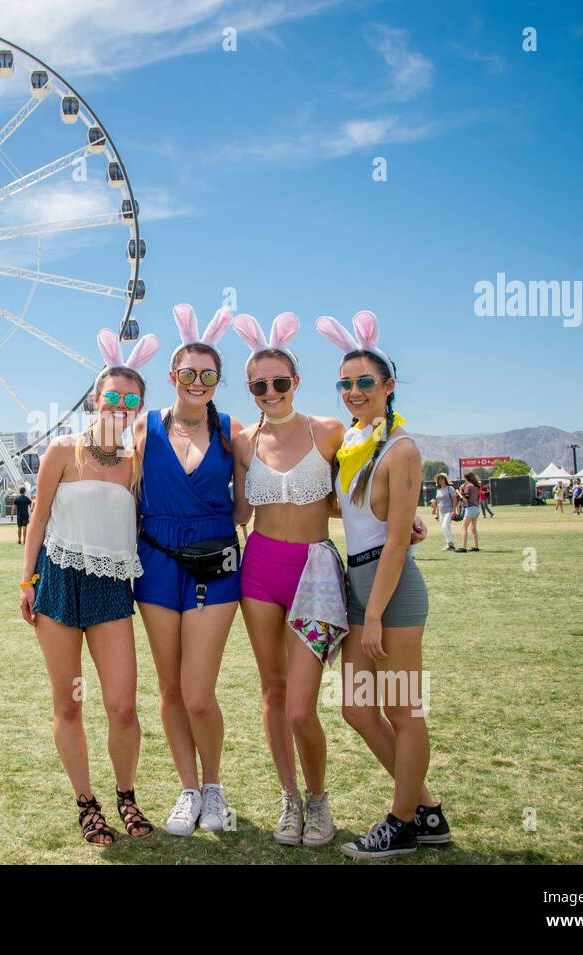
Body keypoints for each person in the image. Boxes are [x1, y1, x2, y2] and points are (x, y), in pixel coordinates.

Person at [18, 327, 160, 845]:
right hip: (57, 583)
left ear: (140, 406)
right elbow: (37, 522)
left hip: (111, 590)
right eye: (112, 398)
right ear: (95, 401)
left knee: (122, 705)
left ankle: (126, 796)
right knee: (69, 703)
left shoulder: (136, 463)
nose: (120, 406)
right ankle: (87, 803)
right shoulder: (61, 450)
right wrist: (27, 581)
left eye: (131, 400)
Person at [315, 311, 448, 860]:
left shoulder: (403, 449)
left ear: (388, 386)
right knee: (356, 708)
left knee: (402, 709)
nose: (353, 392)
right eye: (345, 383)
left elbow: (397, 543)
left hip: (390, 592)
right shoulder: (351, 447)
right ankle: (427, 809)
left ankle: (402, 822)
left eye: (365, 382)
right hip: (357, 580)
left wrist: (372, 616)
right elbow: (351, 516)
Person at [230, 309, 345, 846]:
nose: (270, 391)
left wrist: (401, 519)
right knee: (273, 692)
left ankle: (319, 799)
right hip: (259, 572)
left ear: (296, 383)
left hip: (316, 573)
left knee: (302, 705)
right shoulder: (243, 442)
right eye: (259, 384)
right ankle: (289, 799)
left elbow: (351, 498)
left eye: (279, 382)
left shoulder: (328, 431)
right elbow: (234, 511)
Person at [131, 304, 243, 838]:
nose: (198, 382)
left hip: (214, 563)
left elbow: (258, 495)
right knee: (170, 689)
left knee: (199, 693)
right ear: (172, 377)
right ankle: (188, 789)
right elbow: (107, 482)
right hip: (153, 561)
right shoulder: (141, 430)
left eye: (209, 375)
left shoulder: (231, 432)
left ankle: (216, 787)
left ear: (218, 380)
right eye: (188, 374)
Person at [456, 472, 481, 552]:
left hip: (470, 509)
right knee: (473, 528)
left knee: (464, 528)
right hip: (476, 508)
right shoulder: (476, 486)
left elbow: (465, 499)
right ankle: (476, 547)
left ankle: (463, 547)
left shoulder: (468, 486)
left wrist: (458, 493)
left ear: (466, 478)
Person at [434, 474, 458, 552]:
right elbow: (438, 502)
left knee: (445, 526)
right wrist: (437, 514)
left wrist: (454, 510)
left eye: (442, 478)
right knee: (446, 528)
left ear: (445, 480)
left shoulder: (450, 488)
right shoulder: (438, 490)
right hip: (441, 512)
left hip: (449, 510)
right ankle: (450, 546)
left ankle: (450, 544)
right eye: (439, 479)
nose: (440, 480)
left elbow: (455, 499)